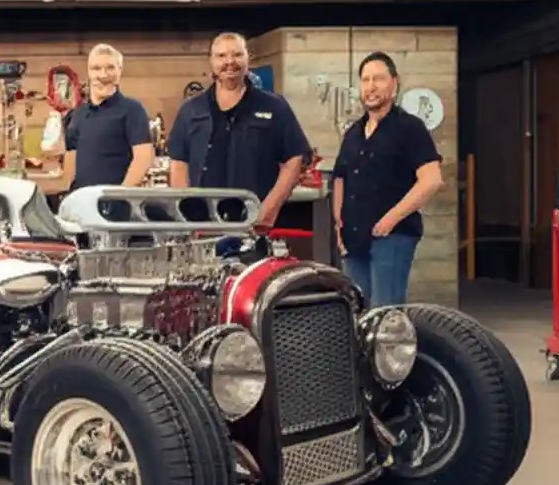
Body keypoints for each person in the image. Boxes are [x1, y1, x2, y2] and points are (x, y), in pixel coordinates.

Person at [167, 32, 311, 229]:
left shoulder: (274, 106)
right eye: (221, 56)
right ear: (211, 61)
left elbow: (294, 159)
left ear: (247, 59)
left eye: (237, 54)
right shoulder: (191, 110)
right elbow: (178, 163)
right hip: (201, 226)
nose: (230, 62)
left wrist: (268, 210)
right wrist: (184, 215)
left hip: (253, 224)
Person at [332, 51, 444, 306]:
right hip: (353, 239)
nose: (371, 86)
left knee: (385, 316)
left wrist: (391, 219)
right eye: (365, 80)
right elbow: (340, 177)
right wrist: (339, 224)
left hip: (391, 237)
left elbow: (431, 179)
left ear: (394, 83)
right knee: (356, 312)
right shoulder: (353, 132)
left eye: (378, 79)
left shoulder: (410, 128)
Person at [63, 43, 155, 191]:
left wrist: (119, 197)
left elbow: (144, 159)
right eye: (96, 68)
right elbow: (71, 162)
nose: (103, 75)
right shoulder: (78, 114)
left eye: (110, 68)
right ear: (89, 72)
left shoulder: (132, 110)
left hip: (116, 207)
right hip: (81, 205)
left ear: (120, 71)